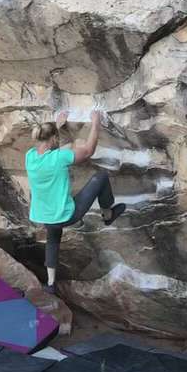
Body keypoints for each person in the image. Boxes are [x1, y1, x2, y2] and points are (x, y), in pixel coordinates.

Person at [26, 110, 126, 294]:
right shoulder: (59, 158)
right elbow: (88, 151)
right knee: (101, 176)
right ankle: (108, 214)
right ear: (53, 140)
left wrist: (56, 126)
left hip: (44, 216)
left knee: (53, 238)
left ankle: (50, 283)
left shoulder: (30, 157)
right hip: (66, 215)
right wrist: (95, 122)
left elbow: (47, 145)